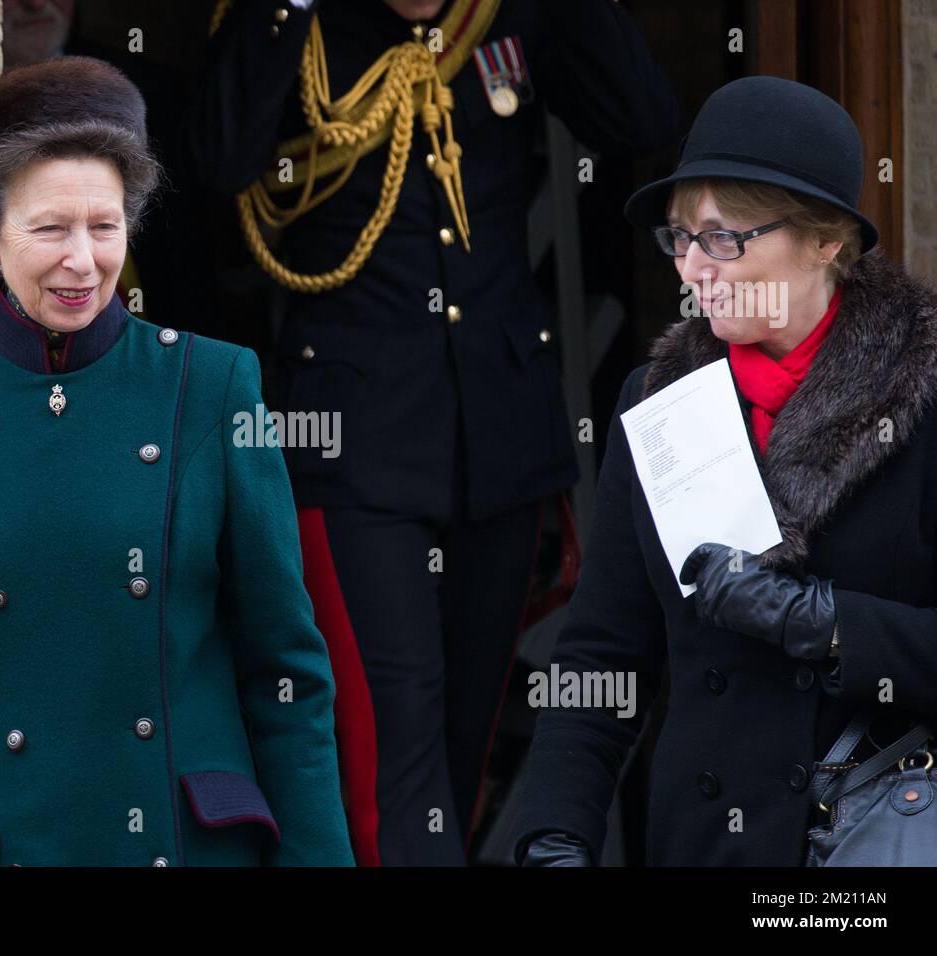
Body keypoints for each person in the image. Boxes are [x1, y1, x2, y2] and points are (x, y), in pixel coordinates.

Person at [0, 55, 354, 867]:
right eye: (50, 228)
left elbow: (287, 675)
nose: (82, 261)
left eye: (105, 226)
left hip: (193, 847)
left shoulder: (215, 388)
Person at [183, 0, 679, 865]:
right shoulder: (295, 24)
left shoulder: (508, 17)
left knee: (461, 761)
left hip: (497, 436)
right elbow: (217, 160)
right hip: (354, 445)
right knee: (387, 769)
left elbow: (643, 119)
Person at [513, 75, 937, 866]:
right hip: (706, 844)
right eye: (681, 237)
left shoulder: (923, 394)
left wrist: (829, 623)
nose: (692, 268)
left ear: (827, 242)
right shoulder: (660, 404)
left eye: (726, 236)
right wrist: (555, 831)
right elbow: (603, 653)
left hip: (872, 838)